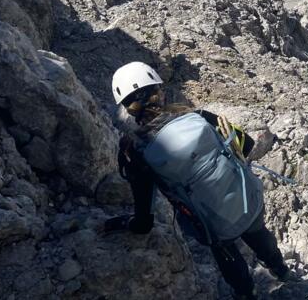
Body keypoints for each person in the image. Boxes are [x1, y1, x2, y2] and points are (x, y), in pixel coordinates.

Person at [104, 62, 290, 300]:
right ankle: (281, 270)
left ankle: (246, 294)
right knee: (259, 234)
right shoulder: (198, 116)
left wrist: (123, 224)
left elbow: (144, 221)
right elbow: (248, 144)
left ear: (128, 110)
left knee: (225, 252)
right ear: (160, 93)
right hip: (247, 201)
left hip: (212, 226)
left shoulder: (137, 152)